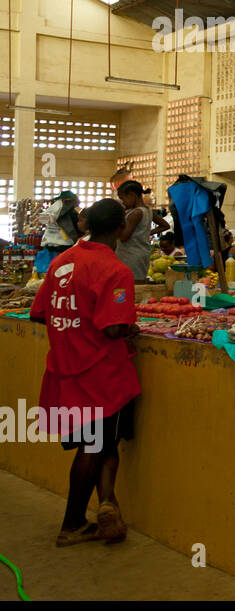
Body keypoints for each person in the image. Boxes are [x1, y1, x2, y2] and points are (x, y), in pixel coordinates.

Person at [29, 198, 140, 547]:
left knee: (102, 443)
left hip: (66, 368)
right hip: (100, 374)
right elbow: (111, 329)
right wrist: (127, 327)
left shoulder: (62, 261)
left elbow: (38, 312)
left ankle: (108, 507)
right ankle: (73, 523)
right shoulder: (116, 271)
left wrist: (72, 324)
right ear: (121, 229)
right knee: (94, 446)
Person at [115, 180, 156, 282]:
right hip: (140, 253)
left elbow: (124, 237)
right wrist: (146, 233)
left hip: (131, 255)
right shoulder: (147, 210)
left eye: (123, 199)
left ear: (132, 195)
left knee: (131, 284)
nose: (123, 203)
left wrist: (116, 222)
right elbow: (164, 225)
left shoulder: (136, 213)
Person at [36, 191, 79, 273]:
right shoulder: (60, 206)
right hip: (62, 246)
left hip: (57, 246)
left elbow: (41, 219)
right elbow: (42, 219)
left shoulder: (69, 210)